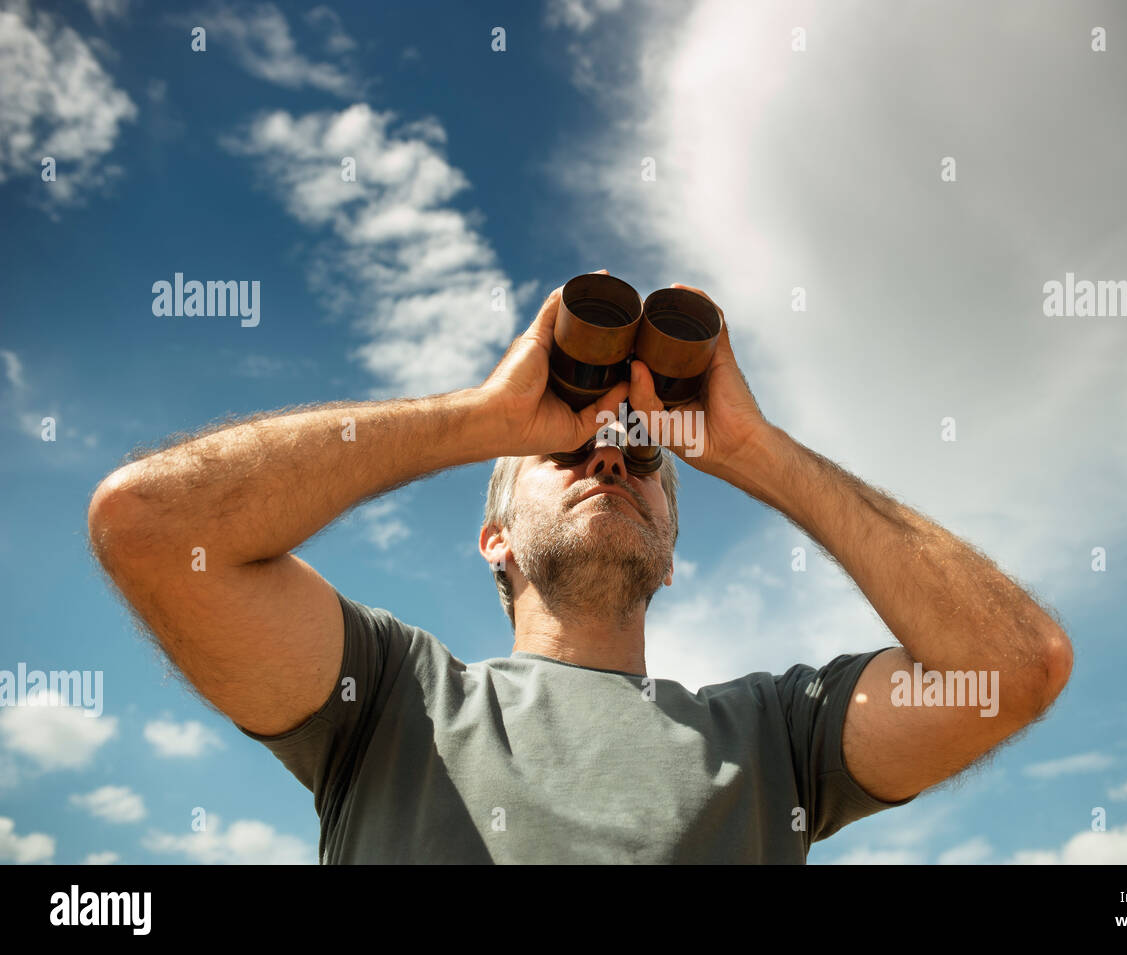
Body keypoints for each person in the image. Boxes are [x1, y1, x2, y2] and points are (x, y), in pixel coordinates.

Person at [87, 275, 1073, 864]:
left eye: (645, 457)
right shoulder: (389, 702)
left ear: (673, 555)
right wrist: (482, 419)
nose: (611, 456)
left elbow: (1016, 663)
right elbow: (149, 525)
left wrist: (750, 450)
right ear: (495, 540)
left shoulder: (781, 737)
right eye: (564, 453)